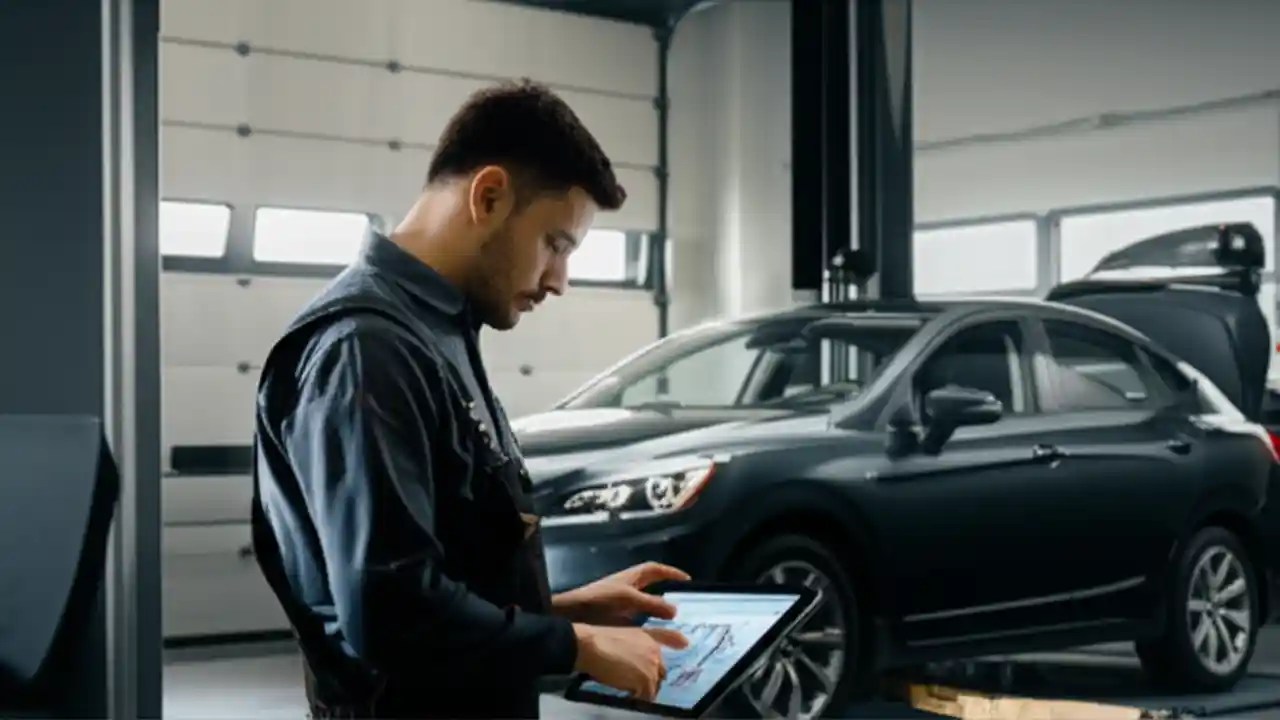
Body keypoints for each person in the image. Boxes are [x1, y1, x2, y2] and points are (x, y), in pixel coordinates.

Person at [250, 79, 691, 719]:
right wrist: (573, 645)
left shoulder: (440, 330)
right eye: (555, 244)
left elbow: (443, 574)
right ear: (488, 196)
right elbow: (389, 611)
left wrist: (565, 609)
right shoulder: (367, 349)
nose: (559, 280)